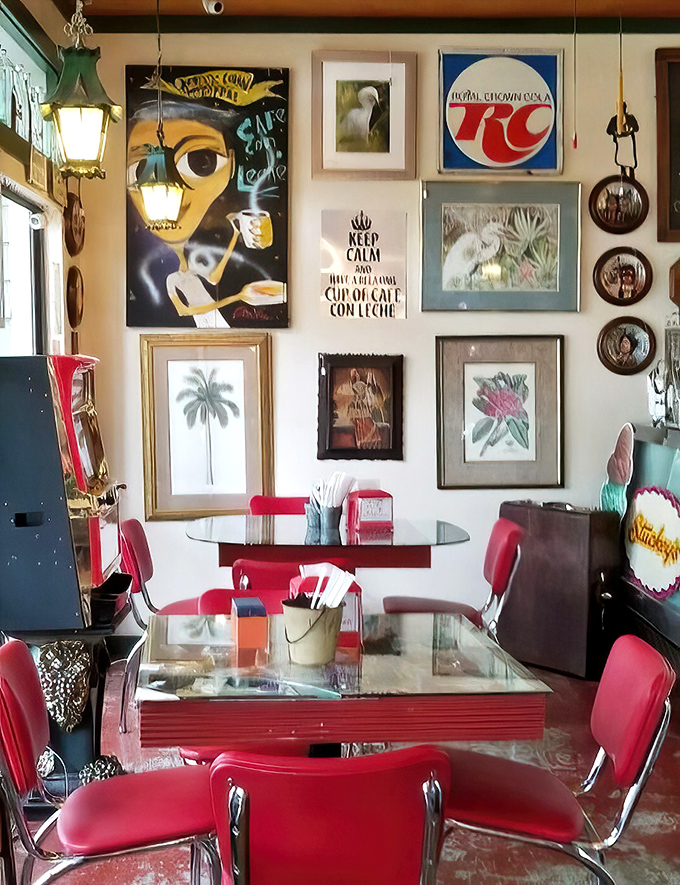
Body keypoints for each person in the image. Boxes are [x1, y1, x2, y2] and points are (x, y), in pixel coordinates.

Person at [126, 94, 285, 327]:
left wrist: (235, 235)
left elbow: (215, 277)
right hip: (208, 324)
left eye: (201, 161)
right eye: (141, 170)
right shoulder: (172, 280)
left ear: (231, 165)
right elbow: (183, 311)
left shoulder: (192, 271)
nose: (177, 199)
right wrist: (234, 298)